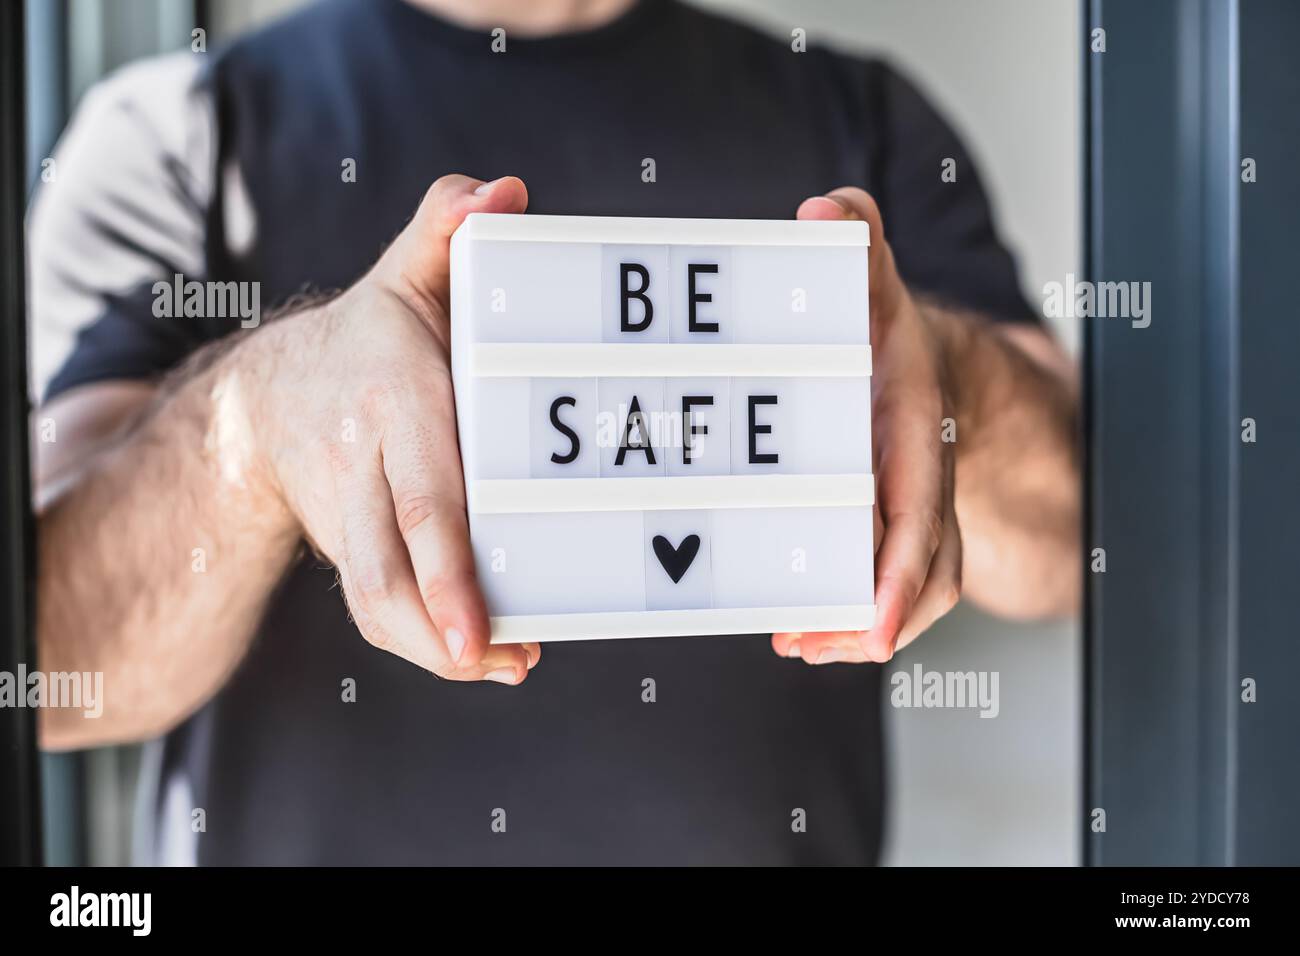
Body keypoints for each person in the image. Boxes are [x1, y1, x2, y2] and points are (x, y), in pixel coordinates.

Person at [30, 0, 1079, 864]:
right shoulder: (180, 135)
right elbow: (49, 654)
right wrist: (250, 430)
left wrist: (956, 390)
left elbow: (1080, 545)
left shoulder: (863, 120)